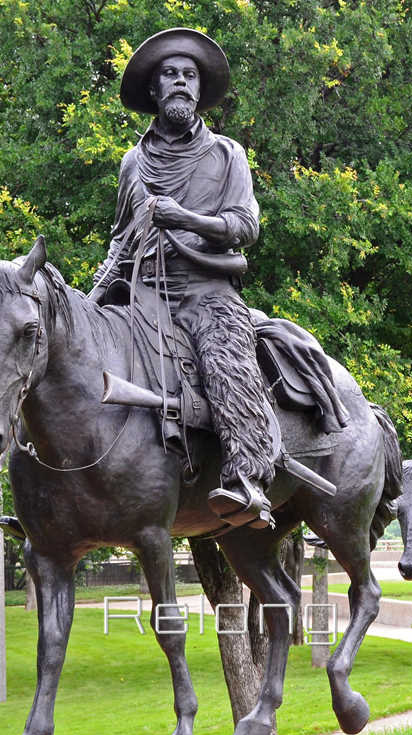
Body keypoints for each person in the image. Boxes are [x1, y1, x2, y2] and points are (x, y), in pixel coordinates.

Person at [90, 28, 275, 529]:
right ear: (154, 90)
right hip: (143, 295)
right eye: (170, 75)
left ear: (199, 90)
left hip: (206, 293)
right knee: (71, 353)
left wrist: (186, 220)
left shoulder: (227, 154)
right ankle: (60, 492)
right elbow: (121, 237)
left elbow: (245, 226)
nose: (180, 83)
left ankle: (247, 479)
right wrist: (94, 296)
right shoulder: (133, 162)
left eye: (189, 76)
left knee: (225, 359)